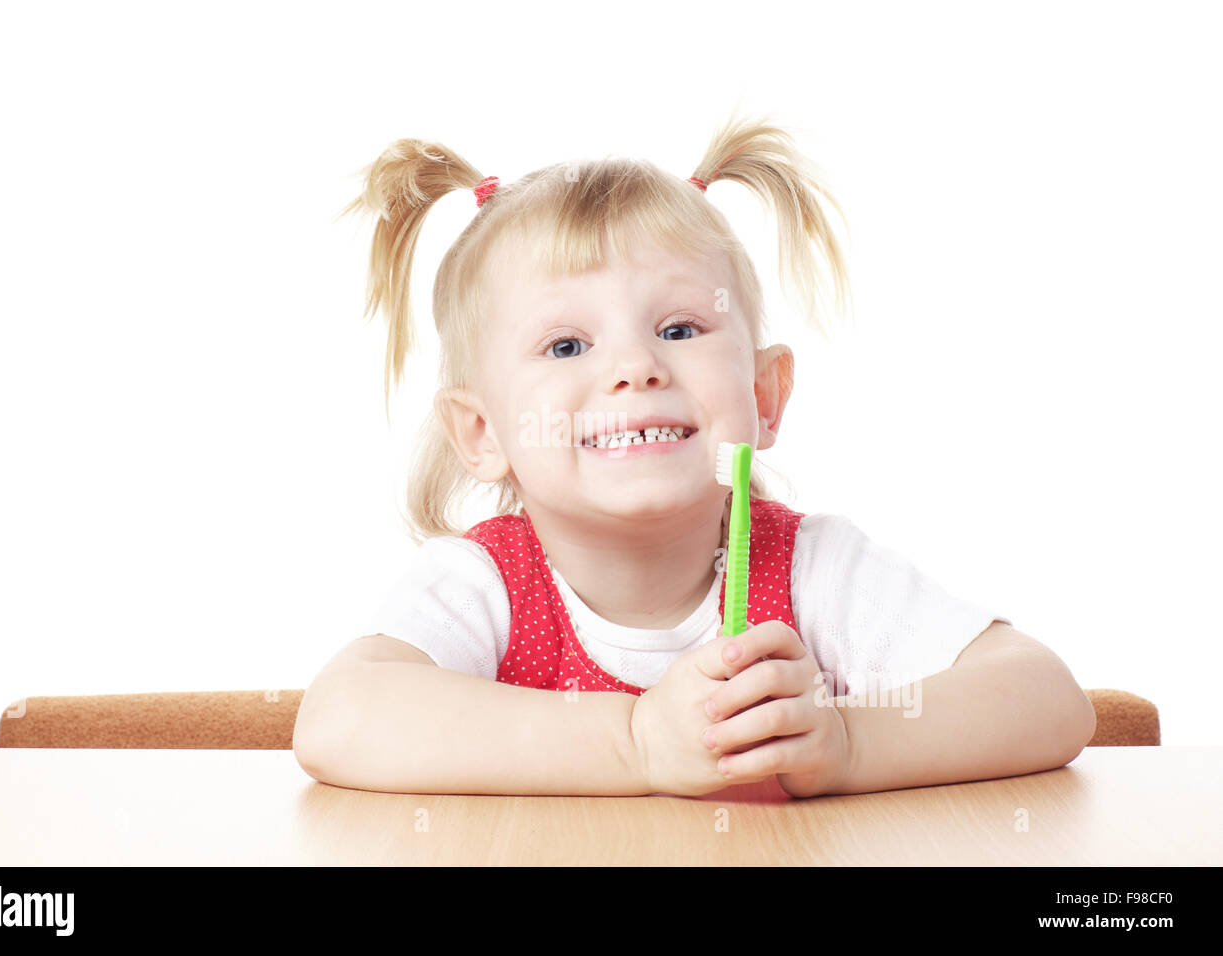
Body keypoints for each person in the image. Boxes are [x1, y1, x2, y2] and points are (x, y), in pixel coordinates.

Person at [293, 112, 1095, 798]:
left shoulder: (812, 570)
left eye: (679, 330)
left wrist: (850, 744)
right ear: (481, 433)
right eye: (567, 343)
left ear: (766, 394)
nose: (634, 366)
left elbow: (1046, 696)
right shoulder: (486, 588)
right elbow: (340, 718)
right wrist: (638, 742)